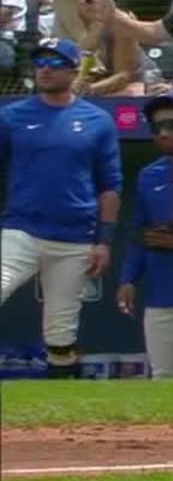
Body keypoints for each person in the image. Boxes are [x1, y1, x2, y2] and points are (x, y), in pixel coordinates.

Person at [0, 38, 122, 378]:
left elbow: (109, 186)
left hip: (75, 236)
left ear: (73, 70)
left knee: (61, 327)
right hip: (21, 229)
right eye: (40, 62)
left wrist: (105, 240)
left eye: (55, 63)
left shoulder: (97, 120)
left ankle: (61, 414)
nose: (46, 69)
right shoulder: (12, 116)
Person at [116, 95, 173, 379]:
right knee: (165, 377)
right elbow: (139, 231)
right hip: (161, 293)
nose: (163, 133)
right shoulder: (149, 175)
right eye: (156, 127)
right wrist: (128, 278)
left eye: (171, 124)